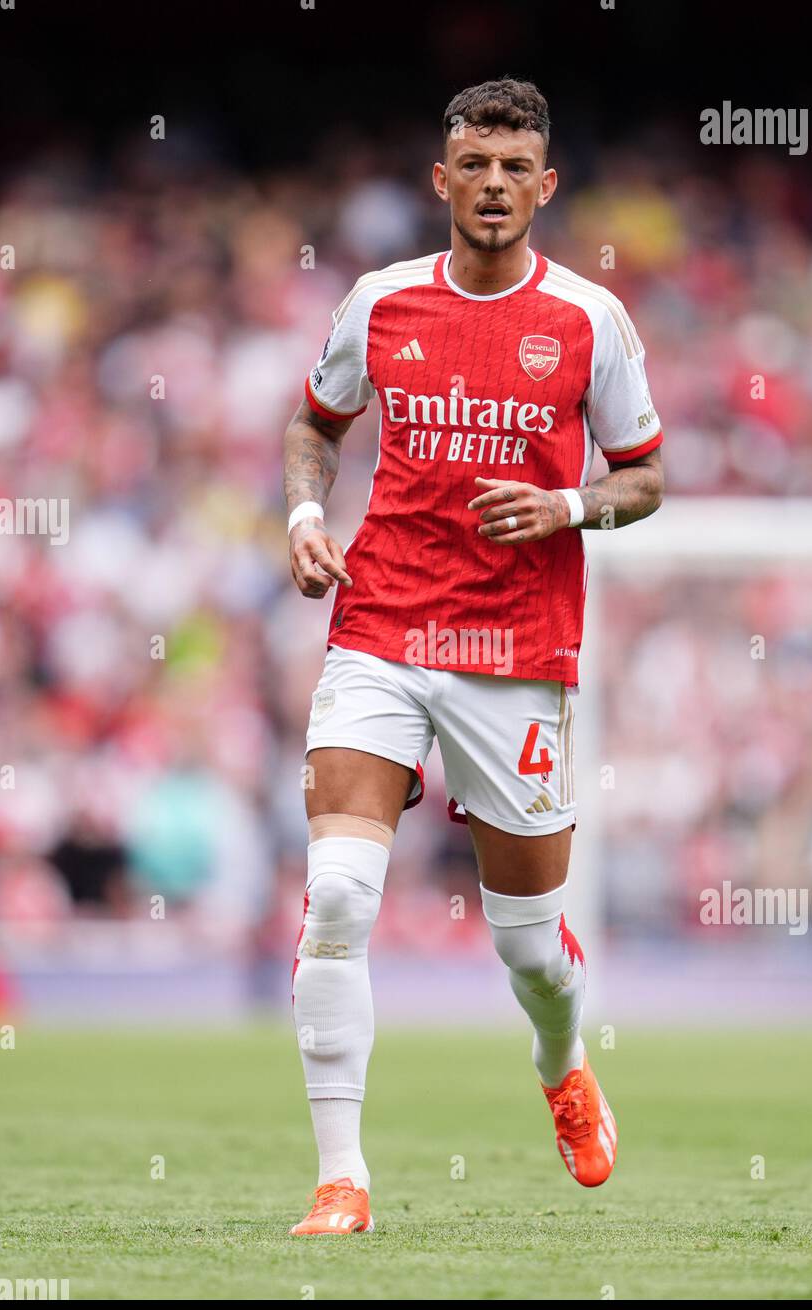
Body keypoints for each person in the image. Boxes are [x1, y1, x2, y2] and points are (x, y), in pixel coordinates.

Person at [283, 77, 663, 1235]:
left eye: (515, 168)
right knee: (339, 894)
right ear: (440, 180)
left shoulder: (592, 320)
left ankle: (562, 1066)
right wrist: (307, 517)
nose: (493, 185)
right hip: (383, 626)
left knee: (530, 951)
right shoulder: (380, 302)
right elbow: (314, 425)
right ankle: (341, 1176)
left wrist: (566, 507)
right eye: (473, 165)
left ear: (543, 188)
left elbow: (644, 476)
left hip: (515, 649)